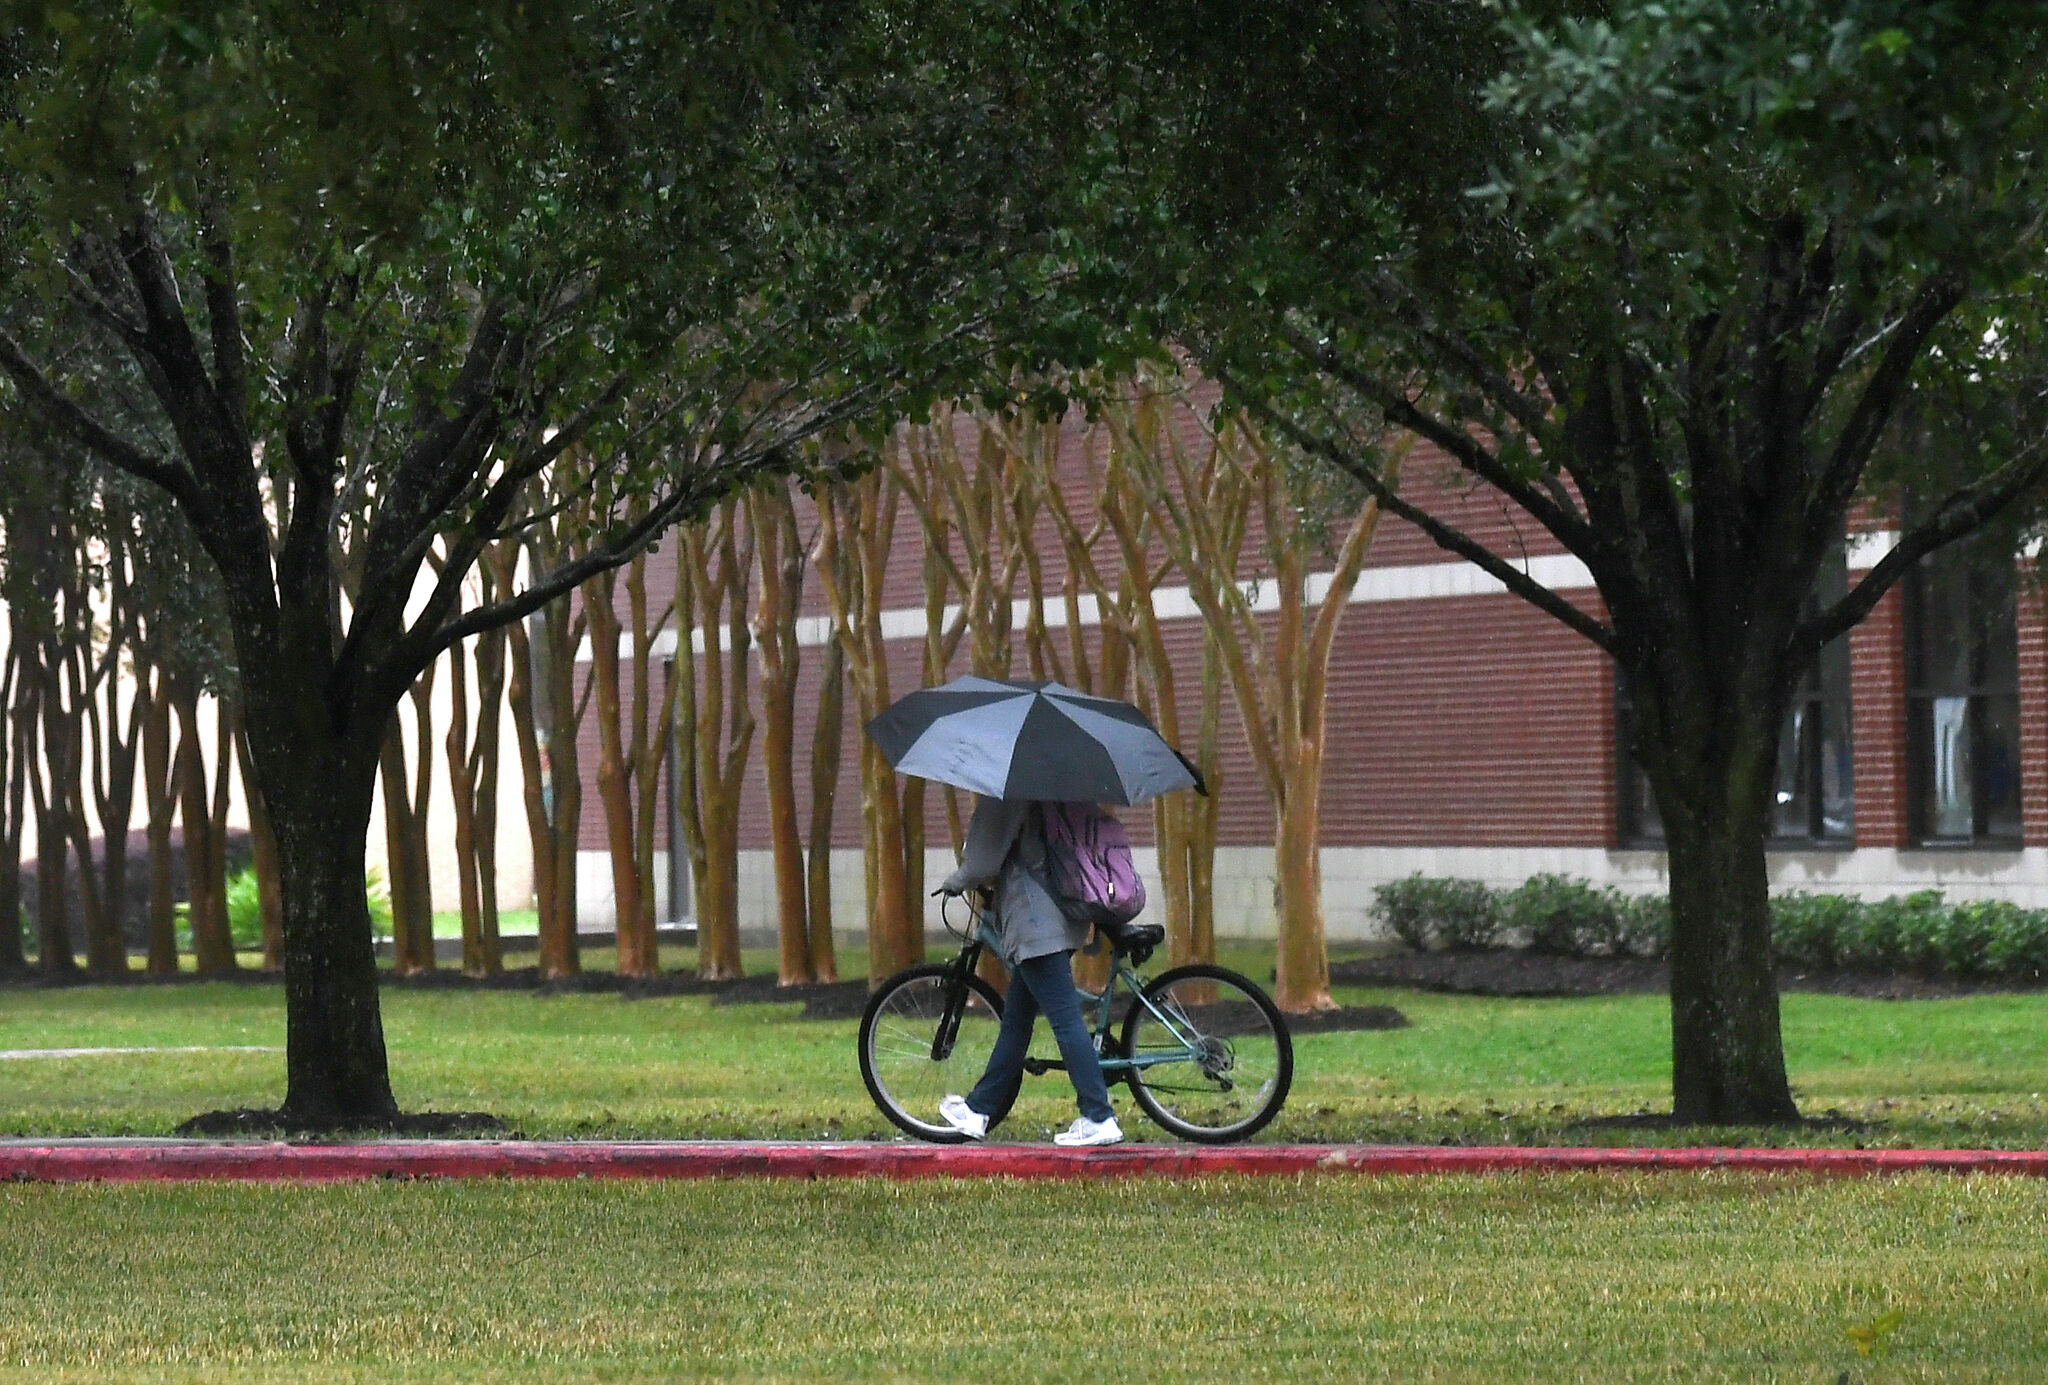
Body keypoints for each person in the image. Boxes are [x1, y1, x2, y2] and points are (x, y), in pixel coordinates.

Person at [934, 795, 1123, 1147]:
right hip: (1063, 918)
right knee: (1017, 1022)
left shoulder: (1007, 795)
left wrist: (956, 880)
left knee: (1065, 1020)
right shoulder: (1052, 789)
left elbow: (982, 861)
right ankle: (978, 1111)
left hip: (1035, 922)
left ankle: (1099, 1116)